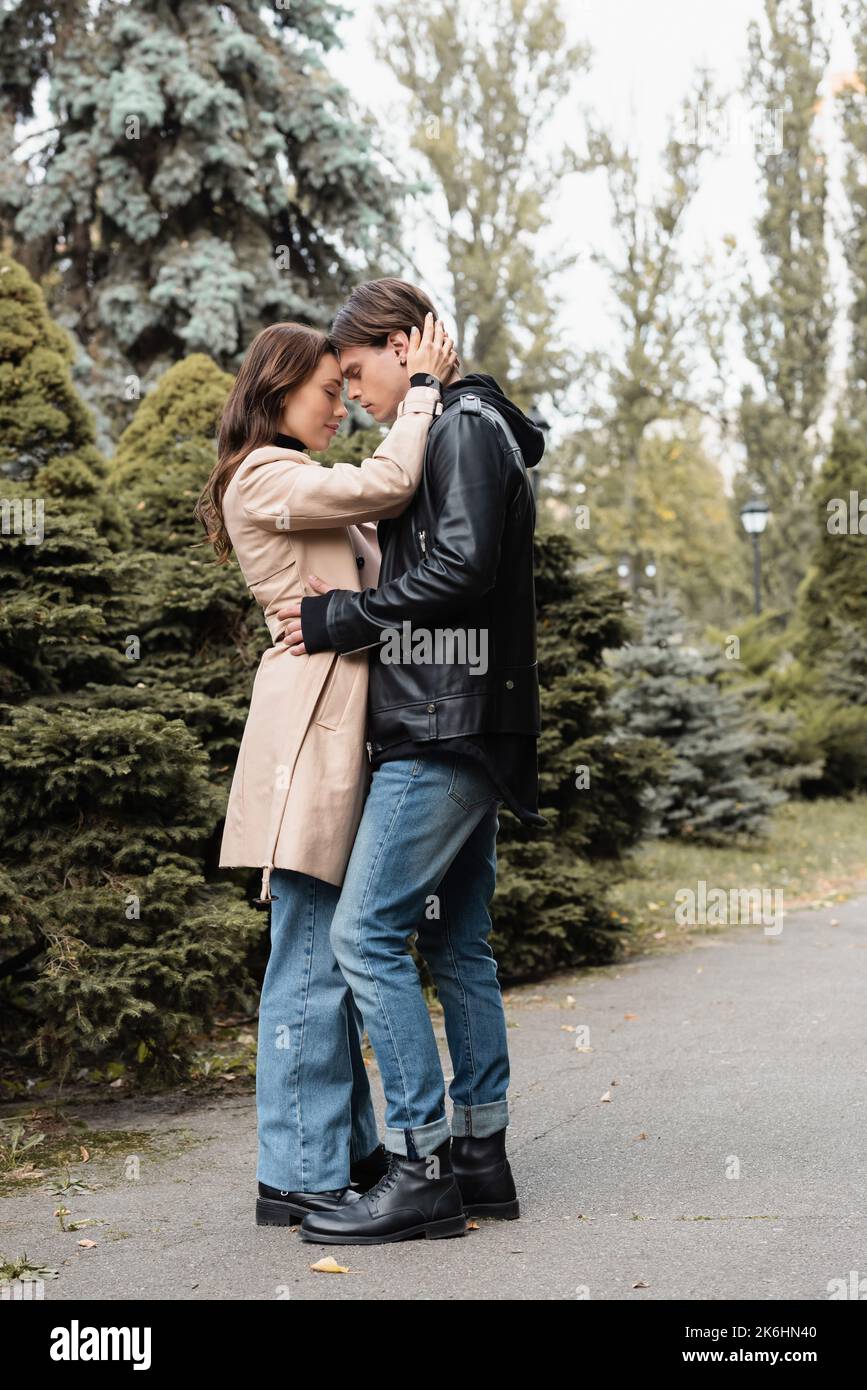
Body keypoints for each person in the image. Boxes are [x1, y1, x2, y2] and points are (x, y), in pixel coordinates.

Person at [278, 277, 547, 1245]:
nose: (354, 398)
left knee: (365, 937)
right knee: (458, 943)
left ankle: (422, 1164)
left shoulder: (464, 424)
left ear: (405, 345)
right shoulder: (475, 424)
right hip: (470, 720)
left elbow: (462, 563)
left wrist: (339, 616)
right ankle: (480, 1155)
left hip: (442, 726)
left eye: (356, 375)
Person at [194, 312, 458, 1226]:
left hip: (331, 719)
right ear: (276, 394)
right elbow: (387, 485)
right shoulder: (269, 472)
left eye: (347, 390)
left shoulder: (291, 473)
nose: (342, 403)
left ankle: (335, 1151)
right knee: (311, 959)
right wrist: (419, 392)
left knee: (322, 958)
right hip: (308, 726)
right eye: (327, 390)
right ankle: (299, 1170)